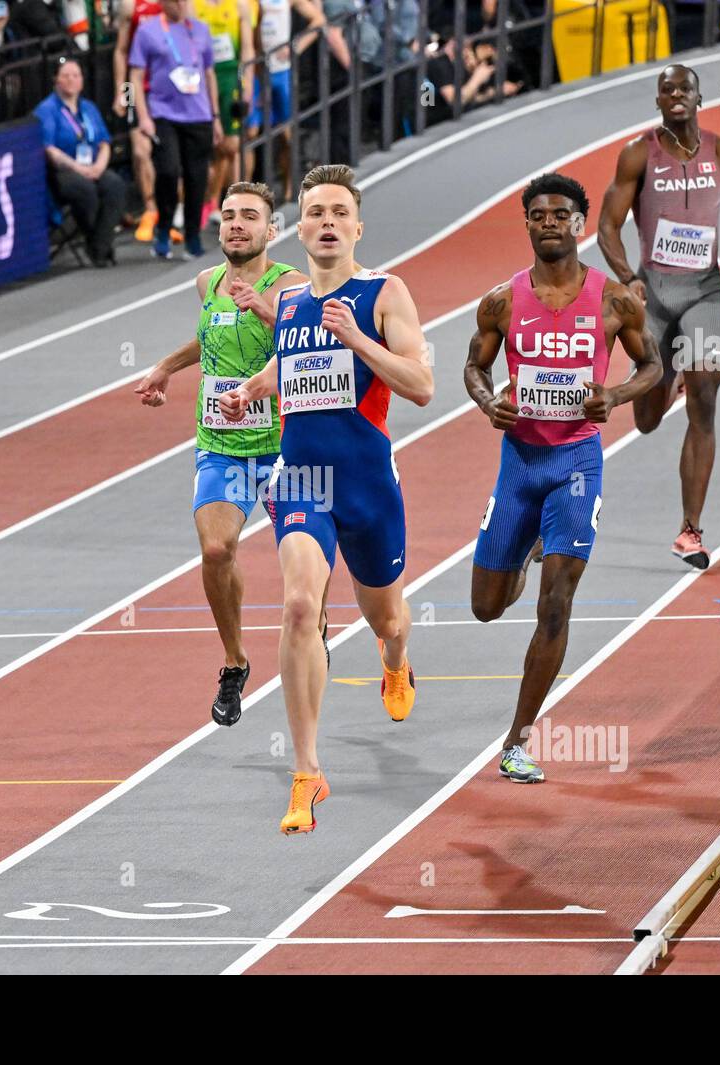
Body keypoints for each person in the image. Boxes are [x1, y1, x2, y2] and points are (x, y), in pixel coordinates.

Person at [221, 164, 434, 835]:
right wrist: (254, 388)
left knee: (387, 618)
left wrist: (358, 338)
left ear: (358, 225)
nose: (327, 223)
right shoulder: (286, 299)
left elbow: (422, 385)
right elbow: (294, 364)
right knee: (296, 606)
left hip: (367, 483)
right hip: (302, 478)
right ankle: (307, 772)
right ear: (301, 226)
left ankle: (395, 663)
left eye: (340, 212)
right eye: (315, 212)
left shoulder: (383, 291)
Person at [465, 173, 661, 784]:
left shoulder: (614, 300)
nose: (549, 223)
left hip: (577, 465)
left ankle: (517, 740)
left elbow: (653, 365)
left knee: (557, 603)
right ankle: (523, 548)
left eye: (561, 215)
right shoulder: (500, 300)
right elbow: (475, 366)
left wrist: (617, 395)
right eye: (538, 215)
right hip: (520, 465)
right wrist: (486, 402)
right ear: (527, 224)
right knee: (485, 607)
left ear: (580, 224)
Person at [135, 181, 322, 725]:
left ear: (272, 229)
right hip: (222, 446)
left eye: (249, 217)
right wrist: (165, 368)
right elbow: (211, 339)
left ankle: (317, 626)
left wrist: (268, 312)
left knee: (307, 571)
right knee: (216, 550)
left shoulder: (292, 285)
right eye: (228, 217)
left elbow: (314, 344)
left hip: (288, 448)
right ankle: (235, 662)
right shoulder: (206, 281)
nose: (236, 225)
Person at [598, 64, 720, 571]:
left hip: (705, 290)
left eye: (685, 87)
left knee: (706, 397)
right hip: (654, 294)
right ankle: (665, 380)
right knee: (644, 421)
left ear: (700, 97)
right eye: (667, 89)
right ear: (658, 100)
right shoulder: (637, 154)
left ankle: (691, 529)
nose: (676, 95)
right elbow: (606, 226)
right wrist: (627, 276)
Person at [129, 0, 222, 260]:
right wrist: (143, 117)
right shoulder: (148, 31)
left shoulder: (200, 30)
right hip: (164, 113)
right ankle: (164, 226)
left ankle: (192, 235)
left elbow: (209, 72)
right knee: (168, 171)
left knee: (196, 177)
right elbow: (135, 75)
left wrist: (215, 116)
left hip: (199, 114)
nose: (181, 5)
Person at [35, 57, 125, 266]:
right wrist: (79, 169)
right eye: (65, 75)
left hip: (92, 166)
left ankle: (99, 245)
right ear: (56, 80)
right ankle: (99, 247)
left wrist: (99, 167)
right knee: (85, 191)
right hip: (64, 170)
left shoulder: (88, 108)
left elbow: (104, 142)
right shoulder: (47, 109)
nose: (71, 80)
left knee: (115, 186)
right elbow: (49, 149)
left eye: (76, 75)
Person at [244, 0, 322, 201]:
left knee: (287, 134)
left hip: (281, 71)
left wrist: (296, 46)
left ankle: (289, 187)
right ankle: (245, 192)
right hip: (257, 71)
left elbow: (318, 20)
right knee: (250, 133)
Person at [112, 0, 171, 243]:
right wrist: (121, 91)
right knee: (140, 151)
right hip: (139, 89)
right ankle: (150, 209)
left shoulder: (174, 5)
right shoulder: (130, 6)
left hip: (169, 89)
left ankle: (169, 207)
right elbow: (121, 50)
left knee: (169, 155)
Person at [192, 0, 251, 232]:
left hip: (229, 79)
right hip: (202, 76)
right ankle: (202, 202)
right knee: (205, 145)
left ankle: (214, 201)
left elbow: (247, 48)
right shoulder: (193, 6)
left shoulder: (239, 5)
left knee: (231, 145)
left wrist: (246, 83)